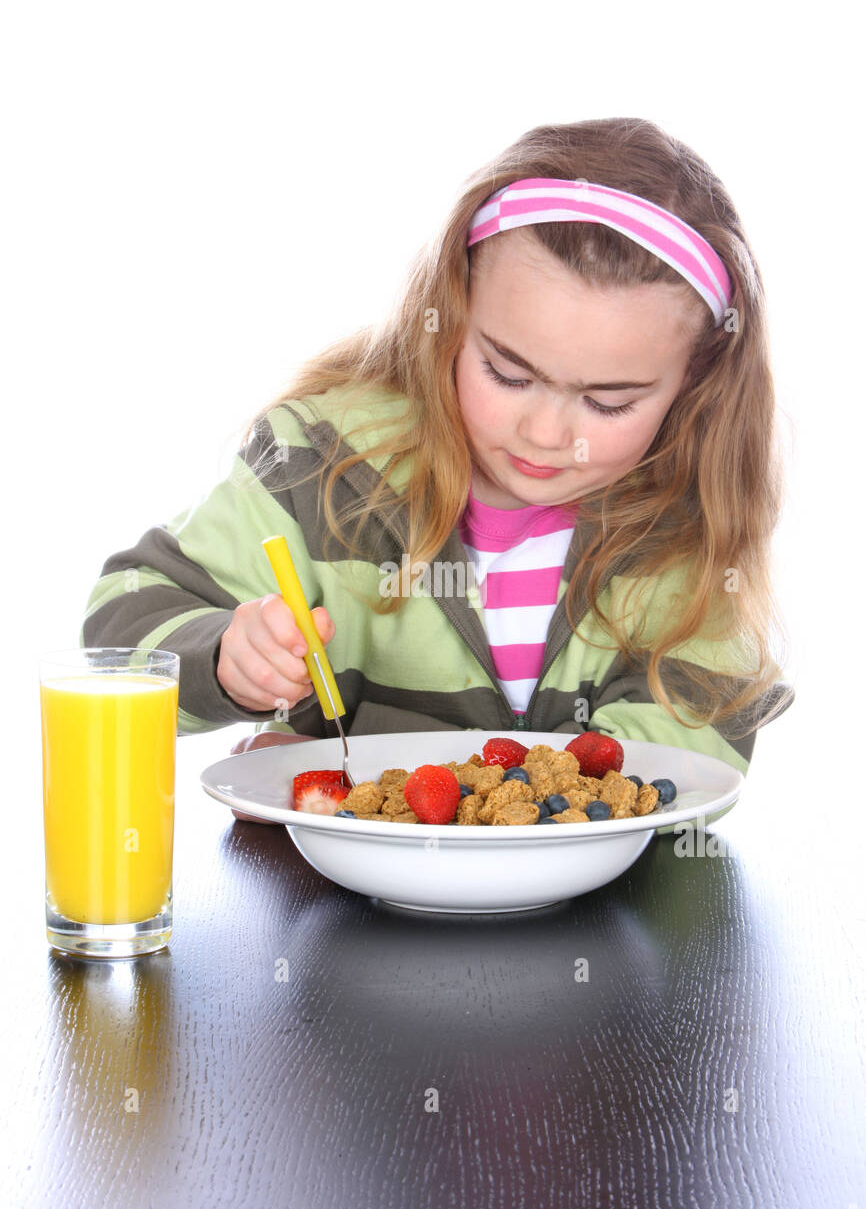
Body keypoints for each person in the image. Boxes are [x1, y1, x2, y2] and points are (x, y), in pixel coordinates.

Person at [80, 118, 794, 826]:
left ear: (695, 385)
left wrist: (416, 780)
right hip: (342, 921)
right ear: (450, 313)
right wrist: (223, 661)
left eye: (609, 403)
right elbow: (124, 623)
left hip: (593, 927)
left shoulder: (688, 524)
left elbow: (691, 767)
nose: (545, 436)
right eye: (507, 373)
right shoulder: (325, 463)